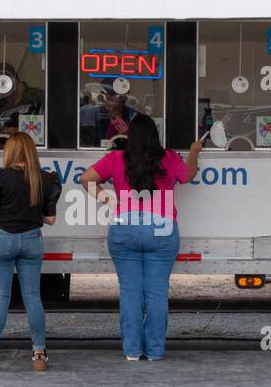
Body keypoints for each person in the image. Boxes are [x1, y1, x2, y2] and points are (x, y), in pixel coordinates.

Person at [81, 115, 202, 361]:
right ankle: (155, 351)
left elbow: (86, 179)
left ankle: (133, 351)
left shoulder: (116, 158)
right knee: (157, 292)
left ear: (130, 137)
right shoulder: (168, 157)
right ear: (155, 136)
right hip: (162, 229)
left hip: (125, 227)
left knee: (130, 292)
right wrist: (194, 151)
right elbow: (188, 175)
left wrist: (110, 200)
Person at [0, 133, 62, 374]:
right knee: (32, 296)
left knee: (0, 298)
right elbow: (50, 219)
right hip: (32, 240)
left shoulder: (0, 177)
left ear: (10, 152)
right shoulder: (45, 179)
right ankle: (39, 353)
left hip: (3, 239)